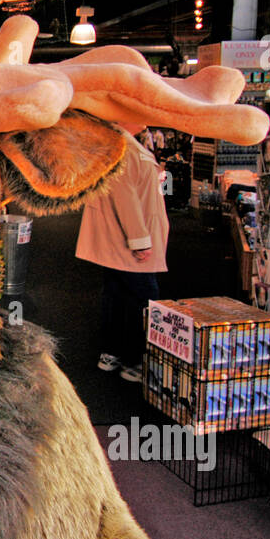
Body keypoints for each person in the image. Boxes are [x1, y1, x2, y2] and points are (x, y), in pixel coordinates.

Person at [77, 123, 169, 382]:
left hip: (115, 241)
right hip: (128, 243)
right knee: (143, 297)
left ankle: (113, 354)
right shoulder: (125, 148)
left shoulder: (116, 144)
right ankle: (134, 360)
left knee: (116, 295)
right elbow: (125, 197)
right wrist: (140, 241)